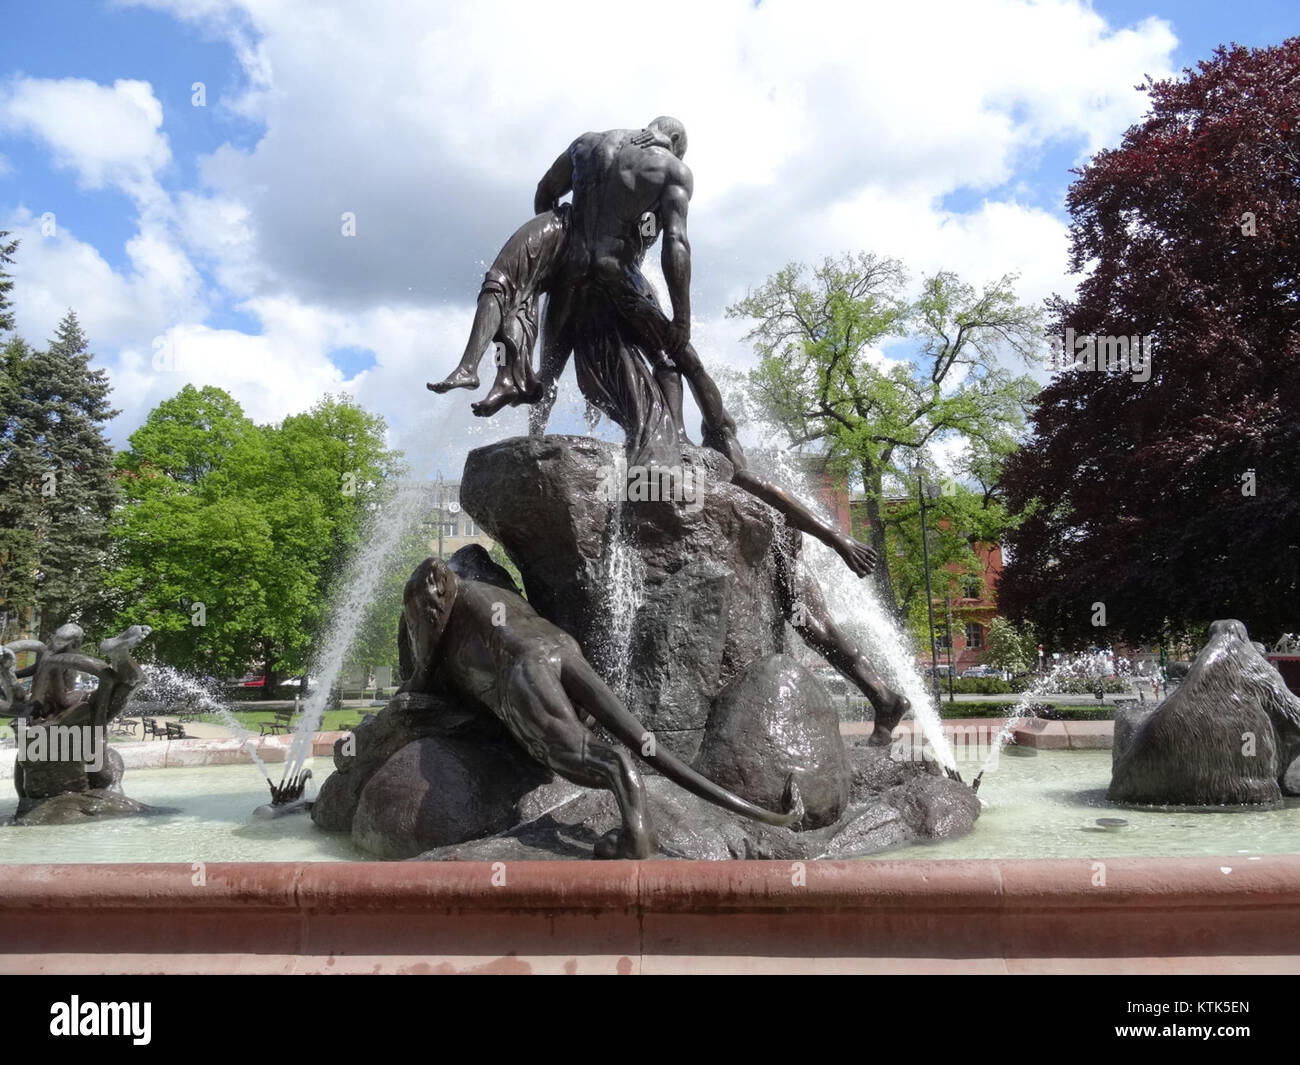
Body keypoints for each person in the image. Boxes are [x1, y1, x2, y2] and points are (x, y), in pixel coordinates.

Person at [529, 117, 879, 578]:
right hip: (625, 296)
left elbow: (543, 193)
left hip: (578, 272)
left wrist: (560, 241)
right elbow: (678, 244)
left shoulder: (588, 144)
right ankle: (543, 420)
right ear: (677, 144)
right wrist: (682, 323)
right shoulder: (671, 170)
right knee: (669, 363)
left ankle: (534, 429)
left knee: (560, 362)